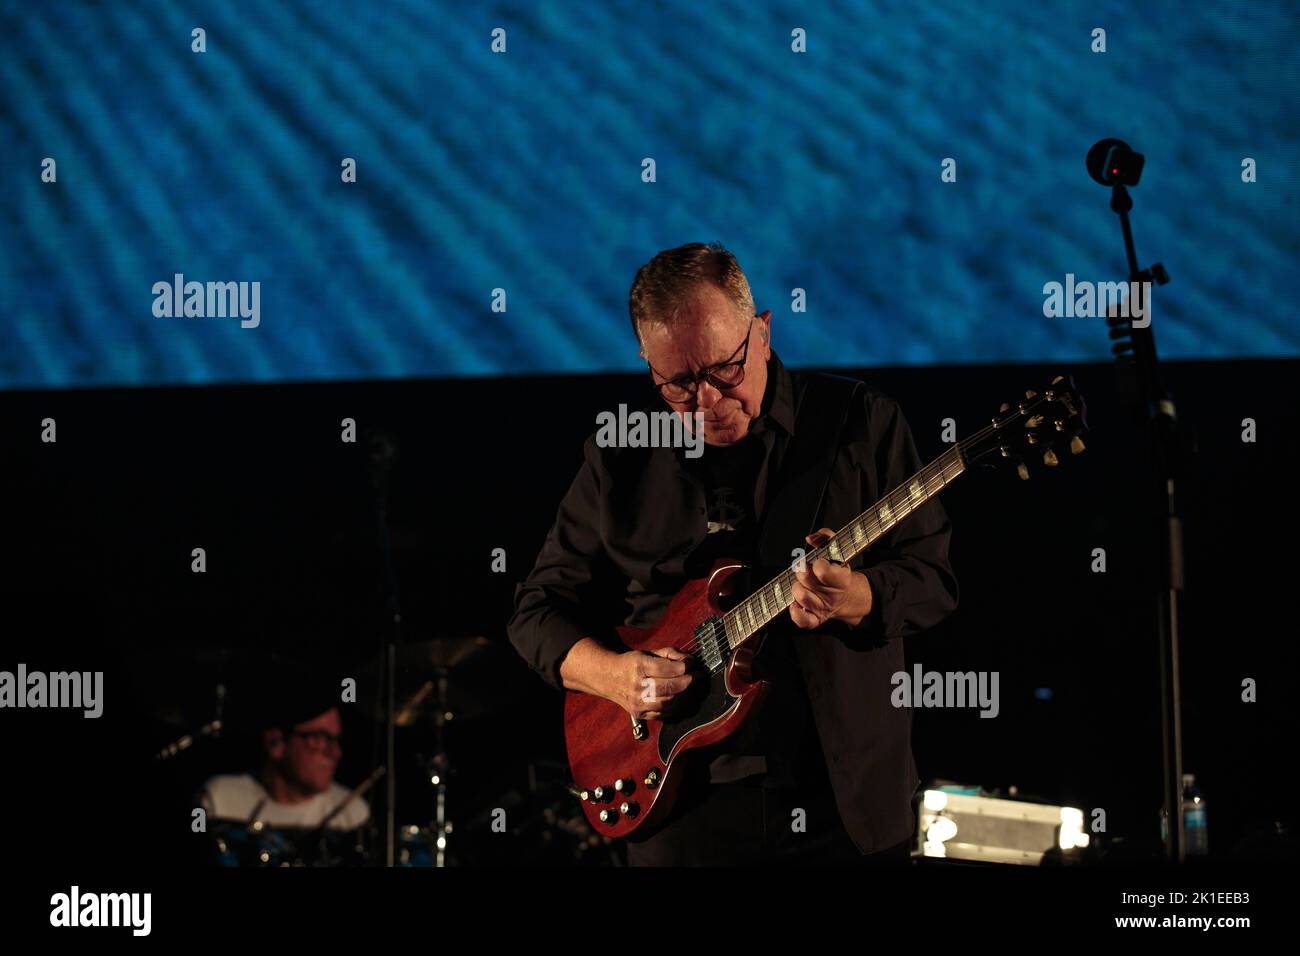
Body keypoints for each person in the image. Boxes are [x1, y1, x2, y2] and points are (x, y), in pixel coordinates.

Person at [509, 241, 958, 865]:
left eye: (725, 368)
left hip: (840, 796)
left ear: (763, 332)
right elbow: (535, 611)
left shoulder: (862, 423)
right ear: (647, 365)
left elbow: (932, 581)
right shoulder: (619, 457)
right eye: (678, 385)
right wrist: (617, 677)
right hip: (679, 804)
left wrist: (857, 596)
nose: (708, 402)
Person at [199, 672, 369, 831]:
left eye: (336, 740)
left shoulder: (351, 813)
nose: (335, 753)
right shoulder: (220, 801)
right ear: (276, 743)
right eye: (319, 738)